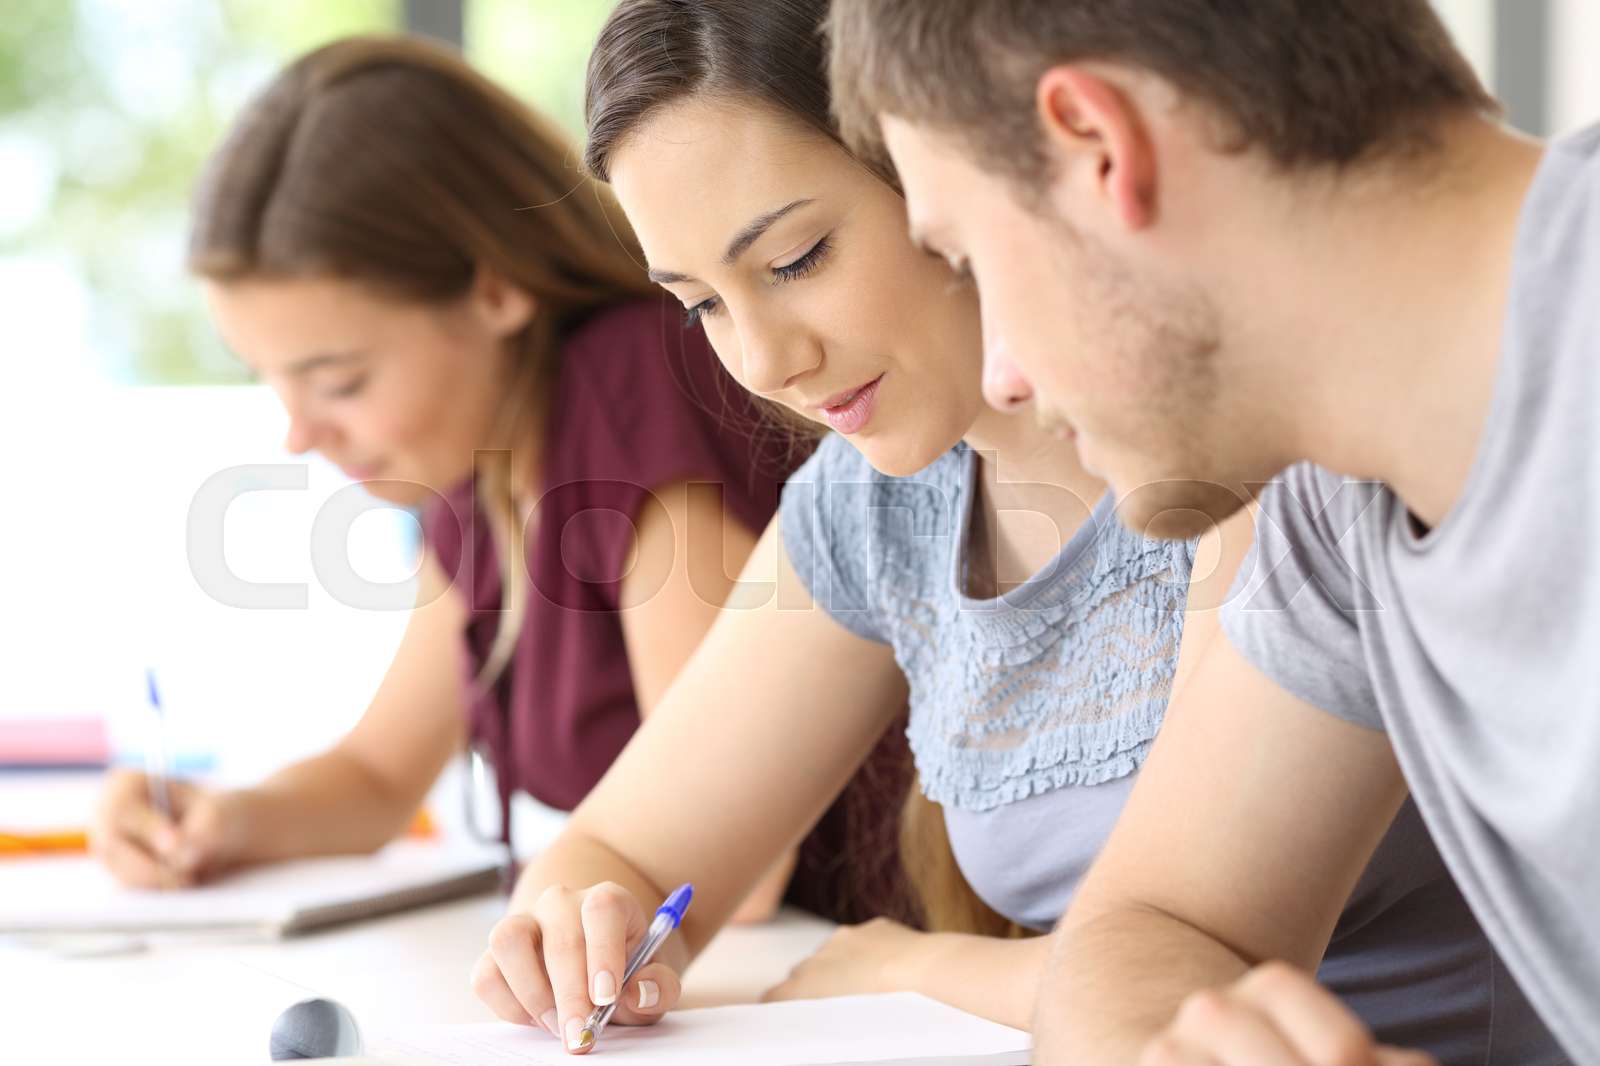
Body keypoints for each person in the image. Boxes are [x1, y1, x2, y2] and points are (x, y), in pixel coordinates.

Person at [466, 3, 1555, 1060]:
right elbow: (1166, 932)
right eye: (699, 303)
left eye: (796, 259)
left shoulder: (1263, 437)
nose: (759, 365)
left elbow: (1186, 954)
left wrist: (915, 965)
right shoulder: (885, 500)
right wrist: (574, 924)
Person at [827, 0, 1597, 1062]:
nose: (1000, 370)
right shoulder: (1333, 492)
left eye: (969, 256)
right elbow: (1159, 922)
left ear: (1101, 146)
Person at [87, 33, 873, 928]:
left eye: (339, 381)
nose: (300, 434)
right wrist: (218, 821)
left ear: (495, 292)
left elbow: (735, 857)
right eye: (272, 380)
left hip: (825, 972)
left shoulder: (634, 384)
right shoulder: (477, 467)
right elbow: (379, 778)